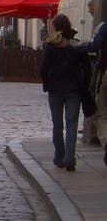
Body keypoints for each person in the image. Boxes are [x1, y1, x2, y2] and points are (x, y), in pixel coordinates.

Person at [40, 13, 92, 171]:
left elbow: (43, 69)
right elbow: (87, 68)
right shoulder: (76, 44)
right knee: (72, 124)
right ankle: (69, 158)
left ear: (55, 27)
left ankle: (59, 156)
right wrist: (84, 85)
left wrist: (46, 84)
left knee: (57, 124)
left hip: (55, 89)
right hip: (73, 90)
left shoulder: (50, 45)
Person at [82, 0, 107, 167]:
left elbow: (94, 46)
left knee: (101, 113)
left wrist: (80, 48)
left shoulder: (105, 28)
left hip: (106, 72)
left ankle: (106, 141)